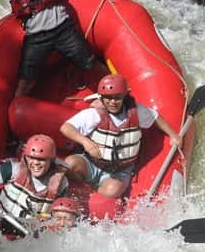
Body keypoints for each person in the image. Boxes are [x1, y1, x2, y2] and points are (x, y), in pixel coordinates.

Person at [59, 74, 182, 214]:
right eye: (108, 97)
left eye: (117, 97)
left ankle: (95, 193)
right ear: (101, 97)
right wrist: (85, 142)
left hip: (120, 169)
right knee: (70, 163)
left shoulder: (136, 111)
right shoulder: (93, 114)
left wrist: (173, 135)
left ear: (125, 95)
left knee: (112, 191)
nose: (113, 102)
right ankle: (83, 188)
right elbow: (66, 128)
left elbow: (155, 117)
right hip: (92, 162)